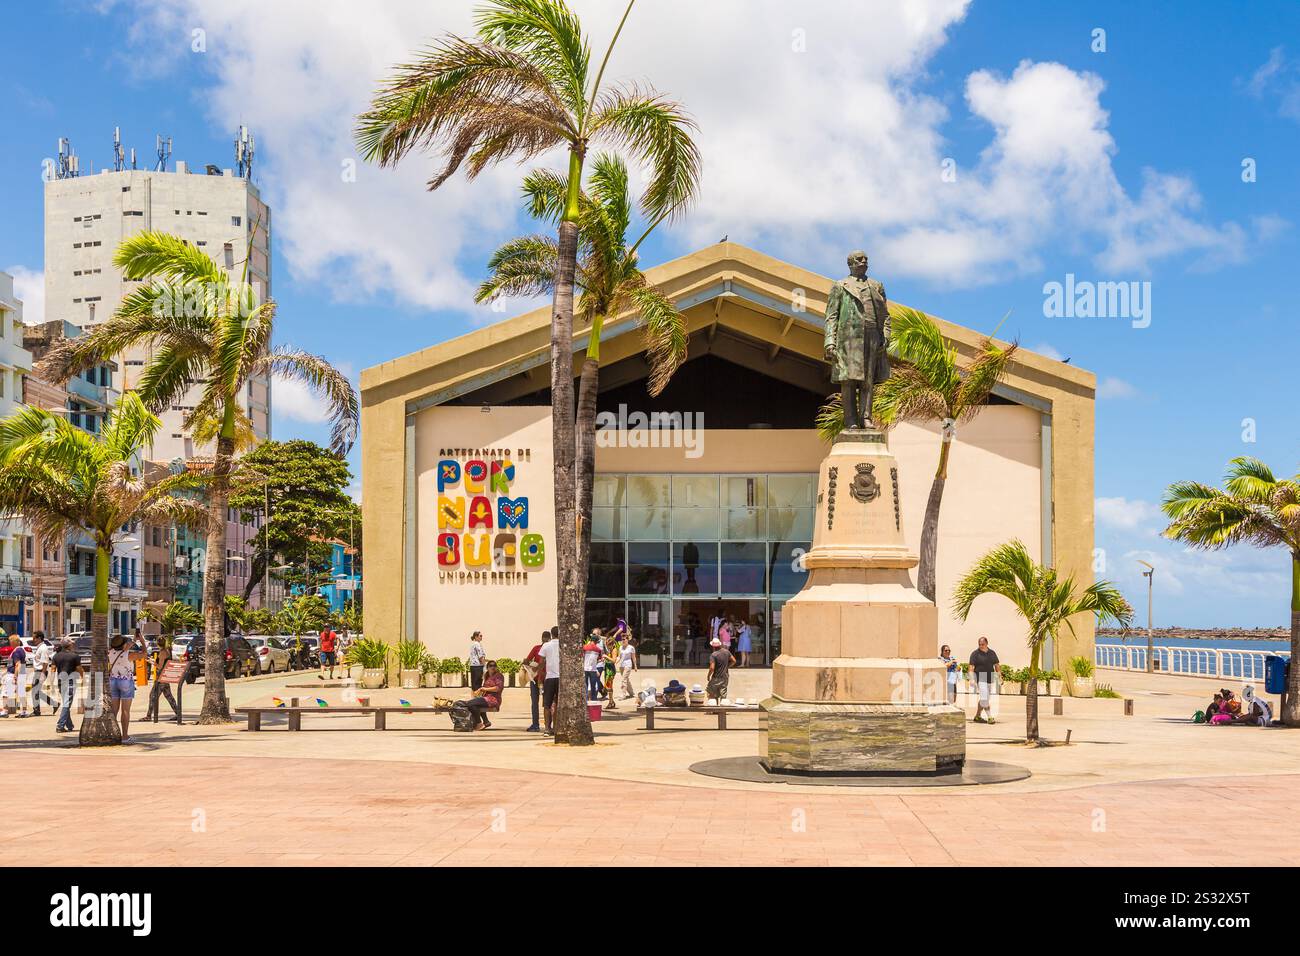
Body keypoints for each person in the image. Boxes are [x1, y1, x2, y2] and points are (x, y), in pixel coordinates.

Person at [108, 632, 149, 743]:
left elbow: (123, 647)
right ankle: (125, 736)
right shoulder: (128, 655)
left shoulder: (110, 653)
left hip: (113, 681)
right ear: (124, 645)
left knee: (114, 710)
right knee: (125, 710)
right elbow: (145, 654)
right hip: (125, 681)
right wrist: (142, 641)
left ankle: (112, 733)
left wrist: (133, 641)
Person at [52, 639, 84, 734]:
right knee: (67, 703)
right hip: (70, 681)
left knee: (66, 703)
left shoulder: (56, 656)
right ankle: (60, 725)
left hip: (60, 681)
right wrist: (83, 678)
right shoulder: (75, 656)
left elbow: (53, 669)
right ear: (69, 646)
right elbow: (79, 669)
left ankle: (69, 725)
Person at [463, 660, 505, 731]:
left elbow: (498, 688)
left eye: (494, 665)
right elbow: (484, 688)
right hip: (486, 698)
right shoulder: (487, 675)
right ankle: (486, 721)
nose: (493, 667)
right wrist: (479, 692)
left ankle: (479, 724)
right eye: (490, 666)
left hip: (493, 699)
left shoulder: (499, 676)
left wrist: (484, 689)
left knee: (470, 704)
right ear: (487, 667)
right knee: (474, 703)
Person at [145, 636, 179, 722]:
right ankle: (178, 713)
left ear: (157, 643)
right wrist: (153, 660)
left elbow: (160, 666)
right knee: (168, 696)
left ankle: (149, 716)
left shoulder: (162, 652)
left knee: (152, 695)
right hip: (164, 676)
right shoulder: (167, 650)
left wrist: (152, 662)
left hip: (161, 677)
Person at [968, 636, 999, 724]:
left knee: (984, 698)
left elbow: (996, 665)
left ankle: (977, 716)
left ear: (987, 643)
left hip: (990, 678)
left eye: (983, 644)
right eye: (979, 644)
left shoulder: (992, 653)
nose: (981, 646)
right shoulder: (975, 654)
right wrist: (972, 679)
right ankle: (989, 717)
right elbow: (971, 667)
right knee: (984, 697)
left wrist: (1000, 676)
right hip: (980, 678)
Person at [538, 627, 561, 736]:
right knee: (557, 703)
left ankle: (547, 728)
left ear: (551, 634)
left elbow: (541, 662)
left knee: (547, 705)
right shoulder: (563, 645)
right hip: (561, 678)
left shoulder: (546, 645)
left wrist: (536, 671)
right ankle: (556, 728)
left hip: (550, 678)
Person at [522, 632, 548, 732]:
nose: (545, 640)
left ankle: (538, 725)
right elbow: (527, 660)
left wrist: (533, 665)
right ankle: (544, 725)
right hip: (539, 679)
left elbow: (527, 660)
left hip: (541, 678)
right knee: (543, 703)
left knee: (540, 703)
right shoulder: (541, 648)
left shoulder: (538, 648)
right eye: (545, 638)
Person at [28, 632, 54, 716]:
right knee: (36, 691)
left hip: (40, 672)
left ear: (39, 638)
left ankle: (36, 711)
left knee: (35, 691)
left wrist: (42, 675)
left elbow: (45, 663)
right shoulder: (39, 648)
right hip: (38, 672)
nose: (33, 640)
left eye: (34, 638)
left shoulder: (43, 648)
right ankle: (54, 704)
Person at [5, 636, 29, 718]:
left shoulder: (16, 652)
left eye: (11, 641)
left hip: (14, 674)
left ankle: (5, 710)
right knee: (22, 693)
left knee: (7, 692)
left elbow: (17, 664)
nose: (10, 643)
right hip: (22, 674)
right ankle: (24, 711)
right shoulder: (21, 650)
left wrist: (15, 676)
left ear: (15, 642)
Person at [706, 637, 735, 703]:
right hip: (725, 677)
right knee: (723, 694)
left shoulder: (714, 655)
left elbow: (712, 668)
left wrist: (708, 676)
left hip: (716, 677)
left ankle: (714, 709)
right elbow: (734, 661)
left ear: (713, 646)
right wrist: (727, 667)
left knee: (712, 693)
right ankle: (723, 708)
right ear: (720, 645)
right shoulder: (726, 652)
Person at [582, 632, 603, 701]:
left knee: (585, 686)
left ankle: (585, 700)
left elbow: (581, 657)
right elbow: (599, 659)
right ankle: (594, 700)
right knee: (593, 686)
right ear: (597, 642)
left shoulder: (584, 647)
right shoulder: (598, 650)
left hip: (585, 669)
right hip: (593, 670)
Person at [617, 636, 638, 700]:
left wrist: (635, 666)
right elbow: (619, 656)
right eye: (622, 639)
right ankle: (631, 692)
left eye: (624, 639)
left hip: (628, 665)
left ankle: (623, 695)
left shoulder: (631, 648)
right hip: (621, 666)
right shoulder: (620, 647)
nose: (623, 641)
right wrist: (615, 662)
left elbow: (633, 657)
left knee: (624, 679)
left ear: (627, 640)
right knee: (626, 679)